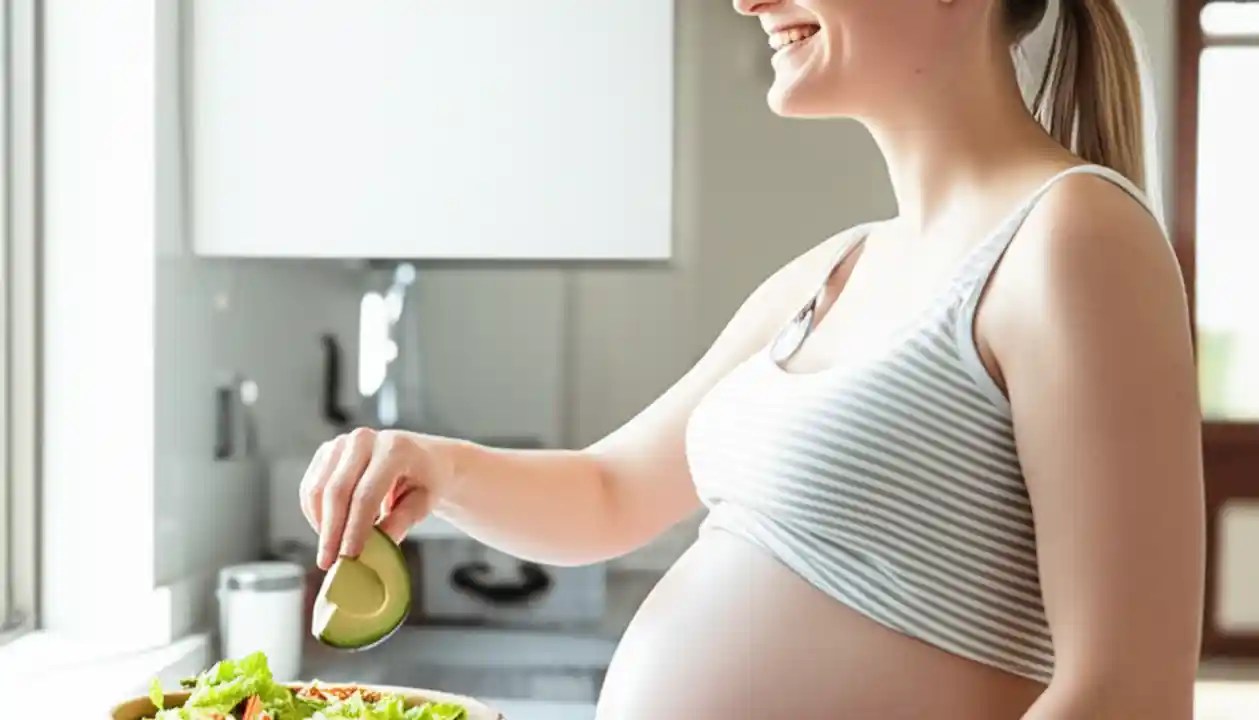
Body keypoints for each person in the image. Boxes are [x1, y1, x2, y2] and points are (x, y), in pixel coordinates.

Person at [298, 0, 1205, 716]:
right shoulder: (831, 272)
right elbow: (611, 493)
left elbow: (1127, 696)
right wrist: (436, 465)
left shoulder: (1072, 237)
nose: (747, 1)